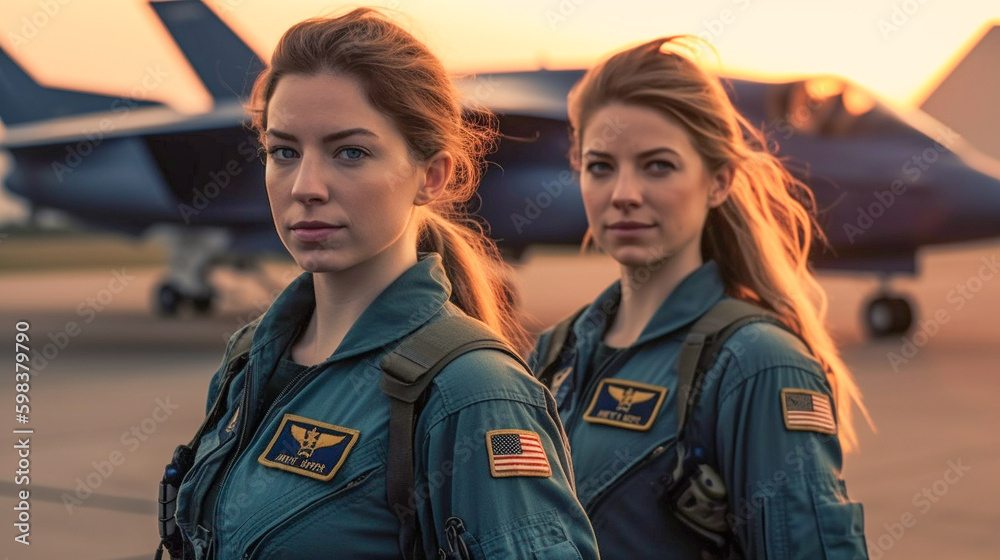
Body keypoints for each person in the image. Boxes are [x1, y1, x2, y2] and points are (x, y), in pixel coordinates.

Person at [161, 9, 598, 560]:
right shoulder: (250, 358)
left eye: (351, 152)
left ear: (432, 176)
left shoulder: (473, 393)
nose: (306, 186)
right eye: (284, 152)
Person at [529, 37, 871, 559]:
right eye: (600, 166)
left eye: (658, 165)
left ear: (718, 182)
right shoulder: (555, 353)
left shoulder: (756, 364)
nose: (623, 192)